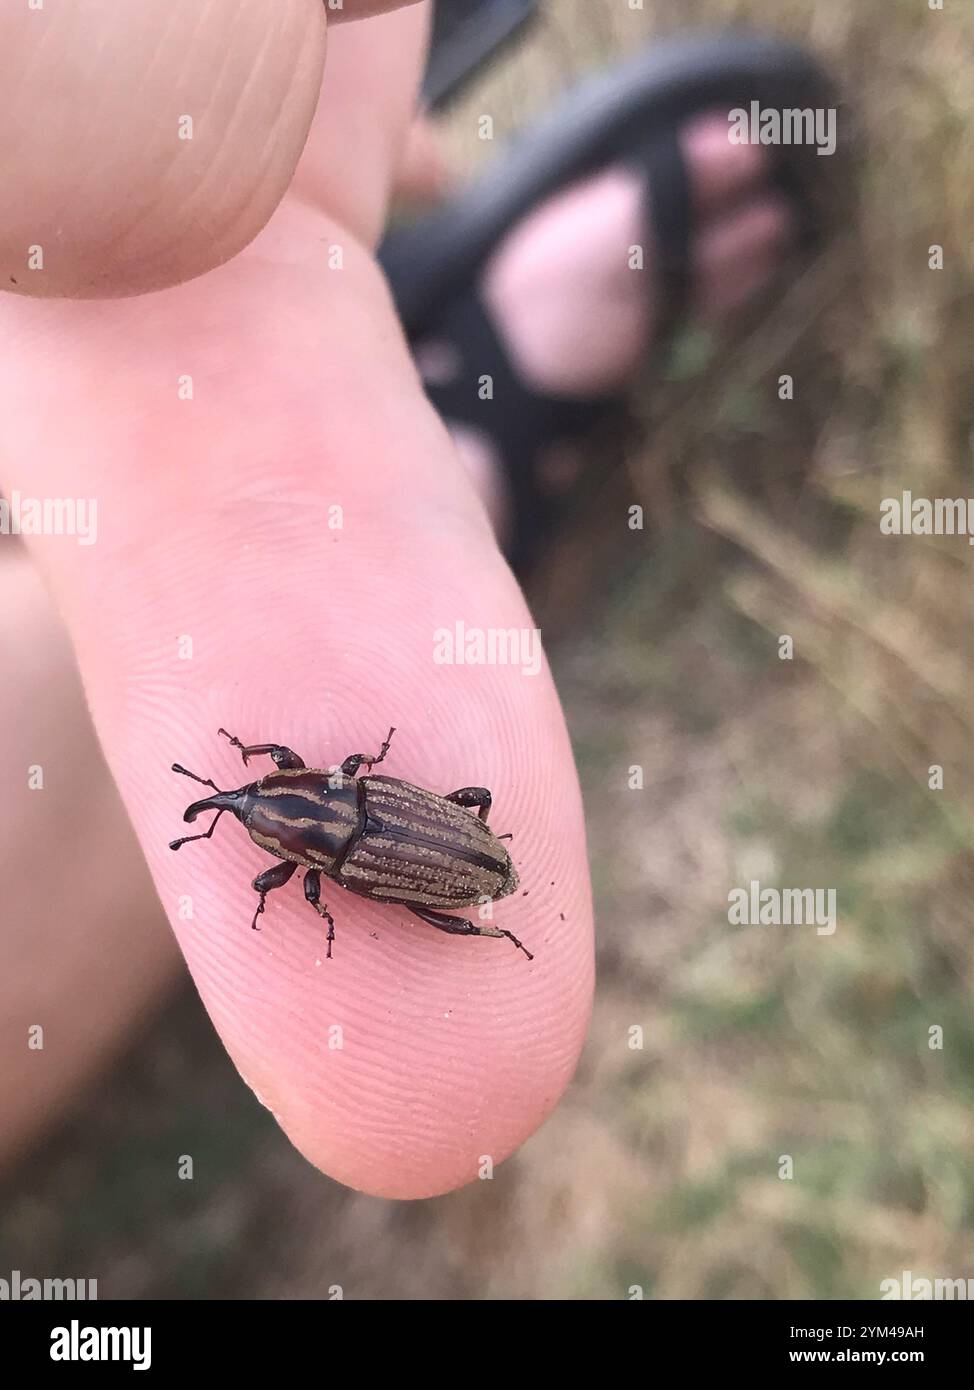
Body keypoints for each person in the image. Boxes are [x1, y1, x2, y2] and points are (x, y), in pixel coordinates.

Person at [0, 1, 836, 1197]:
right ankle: (454, 471)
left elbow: (289, 795)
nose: (245, 797)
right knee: (453, 887)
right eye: (251, 802)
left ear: (303, 801)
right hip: (443, 856)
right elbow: (326, 825)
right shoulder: (339, 832)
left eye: (251, 791)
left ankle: (447, 473)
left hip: (433, 842)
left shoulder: (326, 829)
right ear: (297, 830)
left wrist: (253, 783)